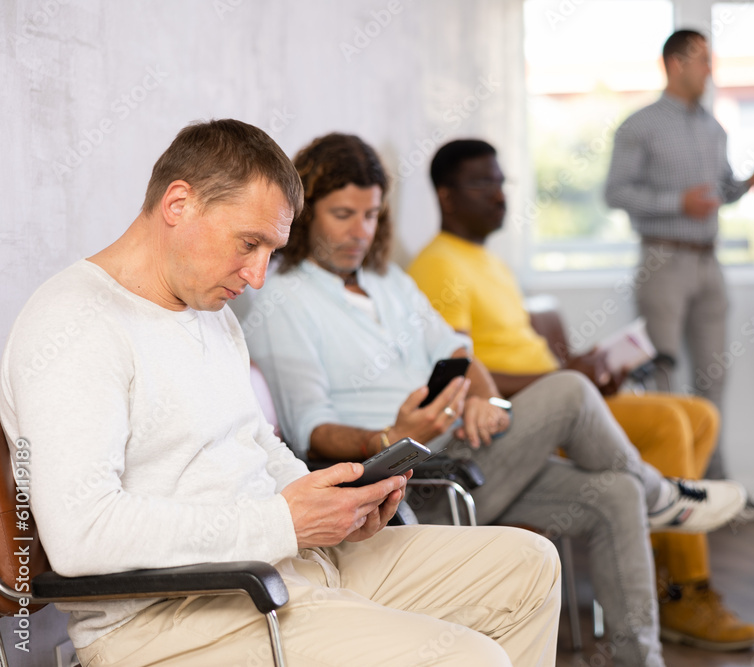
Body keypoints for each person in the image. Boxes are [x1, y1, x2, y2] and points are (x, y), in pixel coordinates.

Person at [0, 119, 564, 666]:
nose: (258, 276)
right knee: (470, 658)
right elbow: (81, 537)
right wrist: (283, 523)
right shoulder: (74, 324)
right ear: (178, 205)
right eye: (249, 243)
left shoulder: (211, 311)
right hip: (179, 615)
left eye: (271, 250)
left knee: (531, 565)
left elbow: (255, 443)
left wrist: (332, 501)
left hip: (287, 560)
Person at [242, 131, 749, 666]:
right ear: (304, 213)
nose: (359, 232)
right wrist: (387, 437)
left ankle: (639, 658)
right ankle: (663, 498)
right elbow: (310, 429)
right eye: (342, 214)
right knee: (571, 390)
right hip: (409, 487)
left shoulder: (387, 282)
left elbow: (458, 350)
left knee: (614, 495)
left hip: (468, 453)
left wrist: (485, 399)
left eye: (370, 215)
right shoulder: (282, 300)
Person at [408, 138, 754, 651]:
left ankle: (661, 557)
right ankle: (683, 587)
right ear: (445, 195)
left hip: (561, 392)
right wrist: (566, 381)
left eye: (501, 181)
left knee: (700, 415)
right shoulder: (439, 265)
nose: (499, 194)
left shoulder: (490, 262)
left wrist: (589, 369)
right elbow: (457, 371)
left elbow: (524, 353)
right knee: (668, 425)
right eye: (482, 183)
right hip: (530, 415)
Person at [605, 29, 754, 479]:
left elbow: (719, 192)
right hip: (663, 260)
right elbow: (615, 193)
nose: (709, 71)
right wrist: (677, 203)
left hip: (708, 262)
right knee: (663, 374)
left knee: (714, 376)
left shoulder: (713, 126)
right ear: (677, 64)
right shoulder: (639, 126)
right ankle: (672, 487)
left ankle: (715, 486)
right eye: (702, 61)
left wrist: (749, 181)